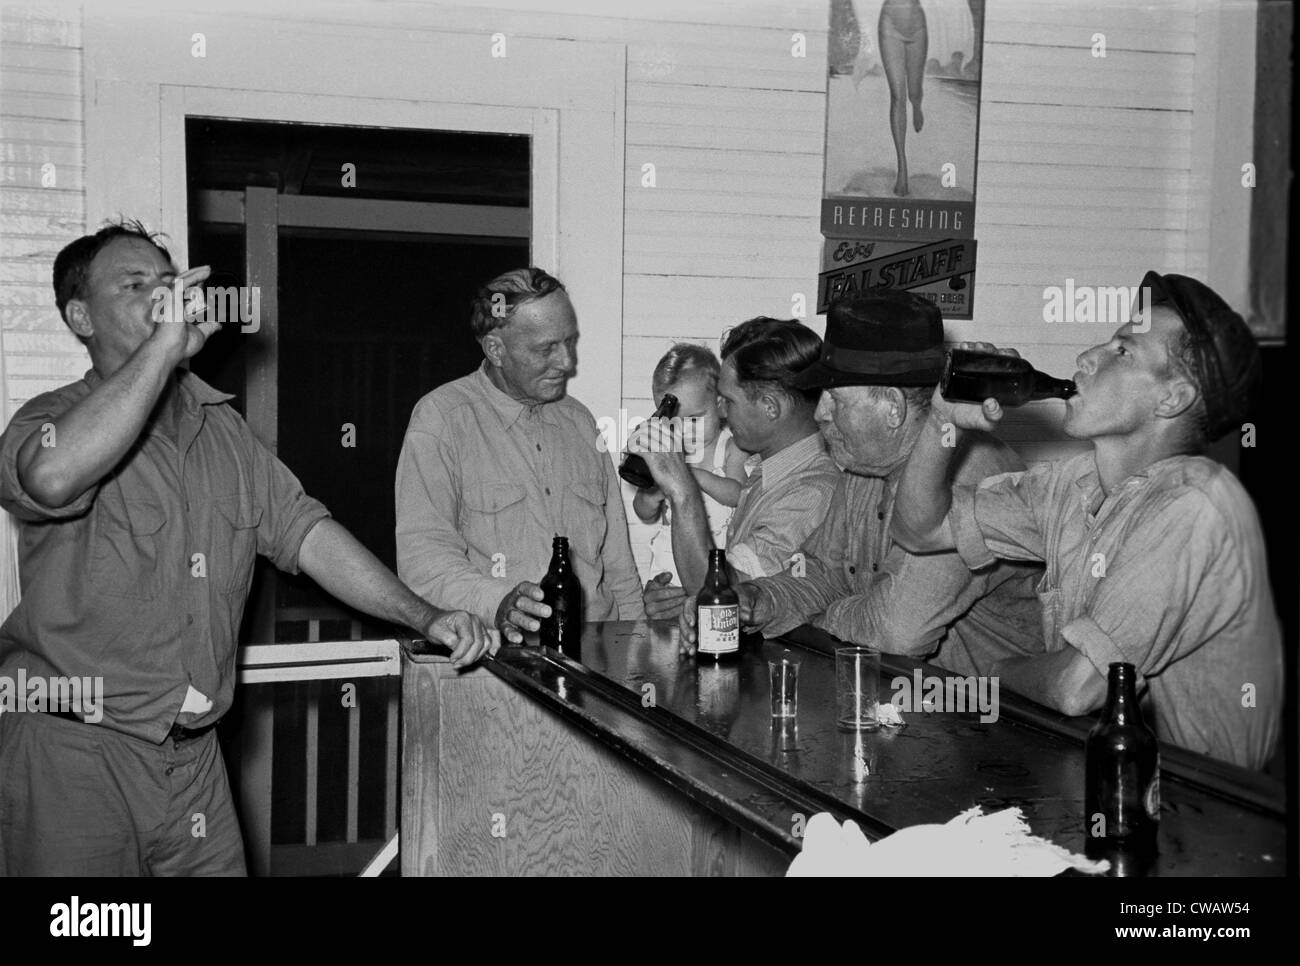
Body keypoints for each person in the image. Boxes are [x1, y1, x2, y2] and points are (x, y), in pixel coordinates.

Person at [0, 220, 494, 876]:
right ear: (80, 316)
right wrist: (167, 344)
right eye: (136, 284)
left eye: (168, 282)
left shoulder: (222, 431)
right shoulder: (47, 420)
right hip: (74, 752)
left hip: (193, 763)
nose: (162, 295)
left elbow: (309, 536)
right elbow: (52, 478)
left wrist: (425, 616)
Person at [891, 272, 1283, 769]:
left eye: (1123, 351)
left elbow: (1079, 687)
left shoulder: (1194, 506)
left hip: (1206, 811)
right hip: (1099, 777)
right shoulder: (1071, 485)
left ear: (1173, 398)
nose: (1087, 356)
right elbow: (920, 530)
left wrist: (990, 670)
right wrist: (943, 423)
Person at [677, 290, 1042, 672]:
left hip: (990, 714)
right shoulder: (862, 468)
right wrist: (754, 600)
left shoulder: (969, 472)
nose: (819, 413)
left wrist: (819, 620)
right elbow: (819, 573)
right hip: (904, 700)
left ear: (892, 408)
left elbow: (897, 634)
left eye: (835, 399)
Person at [396, 267, 645, 644]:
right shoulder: (441, 421)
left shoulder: (580, 421)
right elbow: (424, 566)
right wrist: (498, 602)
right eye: (547, 348)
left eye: (570, 342)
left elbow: (618, 568)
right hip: (498, 663)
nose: (567, 362)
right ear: (496, 349)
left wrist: (638, 649)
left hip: (599, 658)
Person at [636, 317, 840, 621]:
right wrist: (674, 600)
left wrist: (682, 487)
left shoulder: (811, 491)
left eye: (728, 400)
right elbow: (715, 592)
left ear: (770, 407)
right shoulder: (762, 472)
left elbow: (726, 597)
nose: (720, 410)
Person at [632, 344, 751, 589]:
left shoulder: (730, 447)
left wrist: (688, 476)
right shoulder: (667, 452)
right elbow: (643, 513)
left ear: (720, 405)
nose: (684, 429)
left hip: (714, 560)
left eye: (694, 418)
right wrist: (651, 495)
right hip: (667, 564)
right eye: (673, 421)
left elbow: (738, 495)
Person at [879, 0, 927, 196]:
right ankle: (902, 167)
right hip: (889, 25)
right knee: (898, 96)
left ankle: (916, 105)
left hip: (917, 28)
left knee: (913, 92)